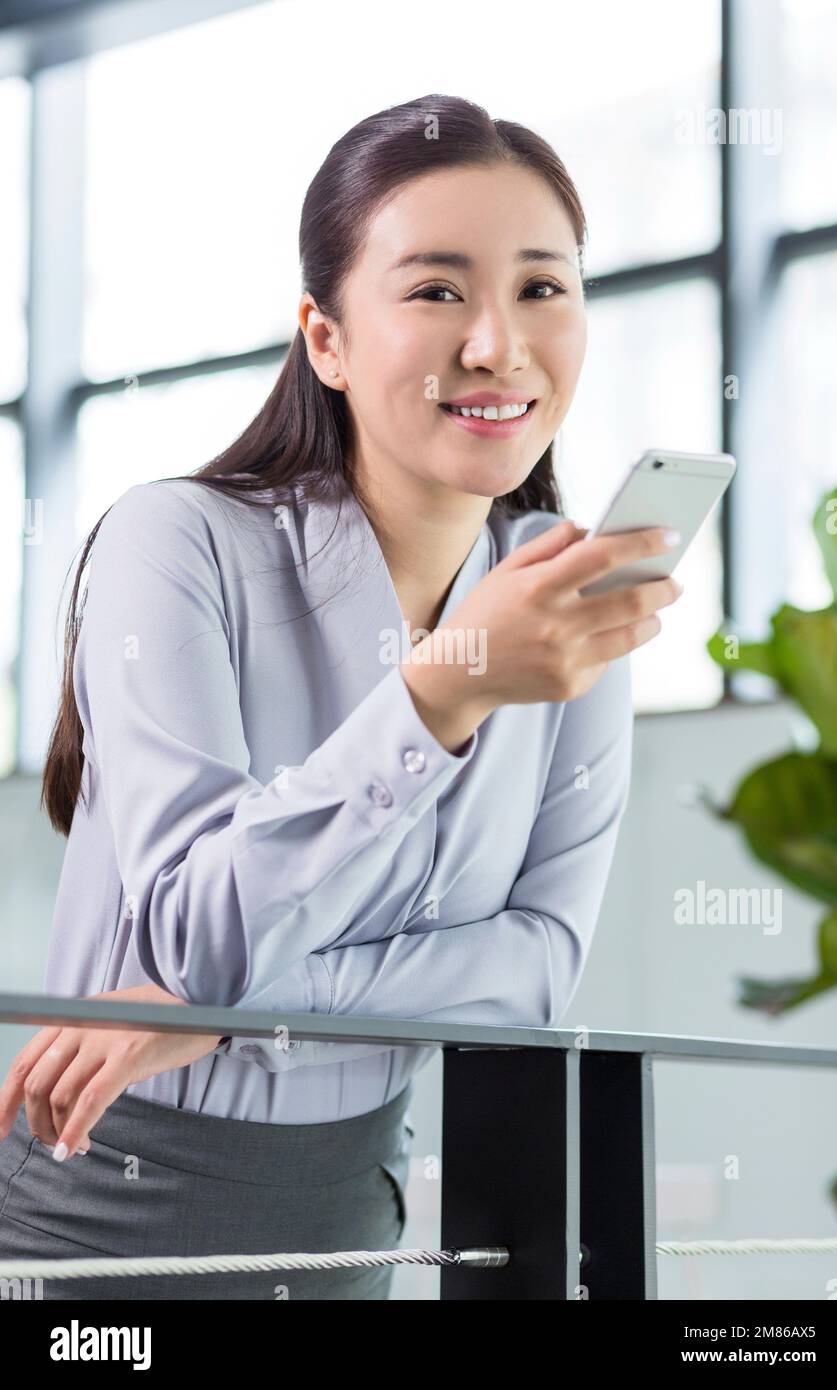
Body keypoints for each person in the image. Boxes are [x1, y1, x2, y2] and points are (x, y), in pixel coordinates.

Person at [0, 92, 681, 1300]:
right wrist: (439, 691)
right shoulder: (178, 545)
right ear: (324, 338)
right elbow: (190, 935)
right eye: (433, 291)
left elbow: (531, 968)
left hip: (348, 1231)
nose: (496, 345)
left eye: (541, 287)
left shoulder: (561, 601)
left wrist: (237, 1012)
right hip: (89, 1228)